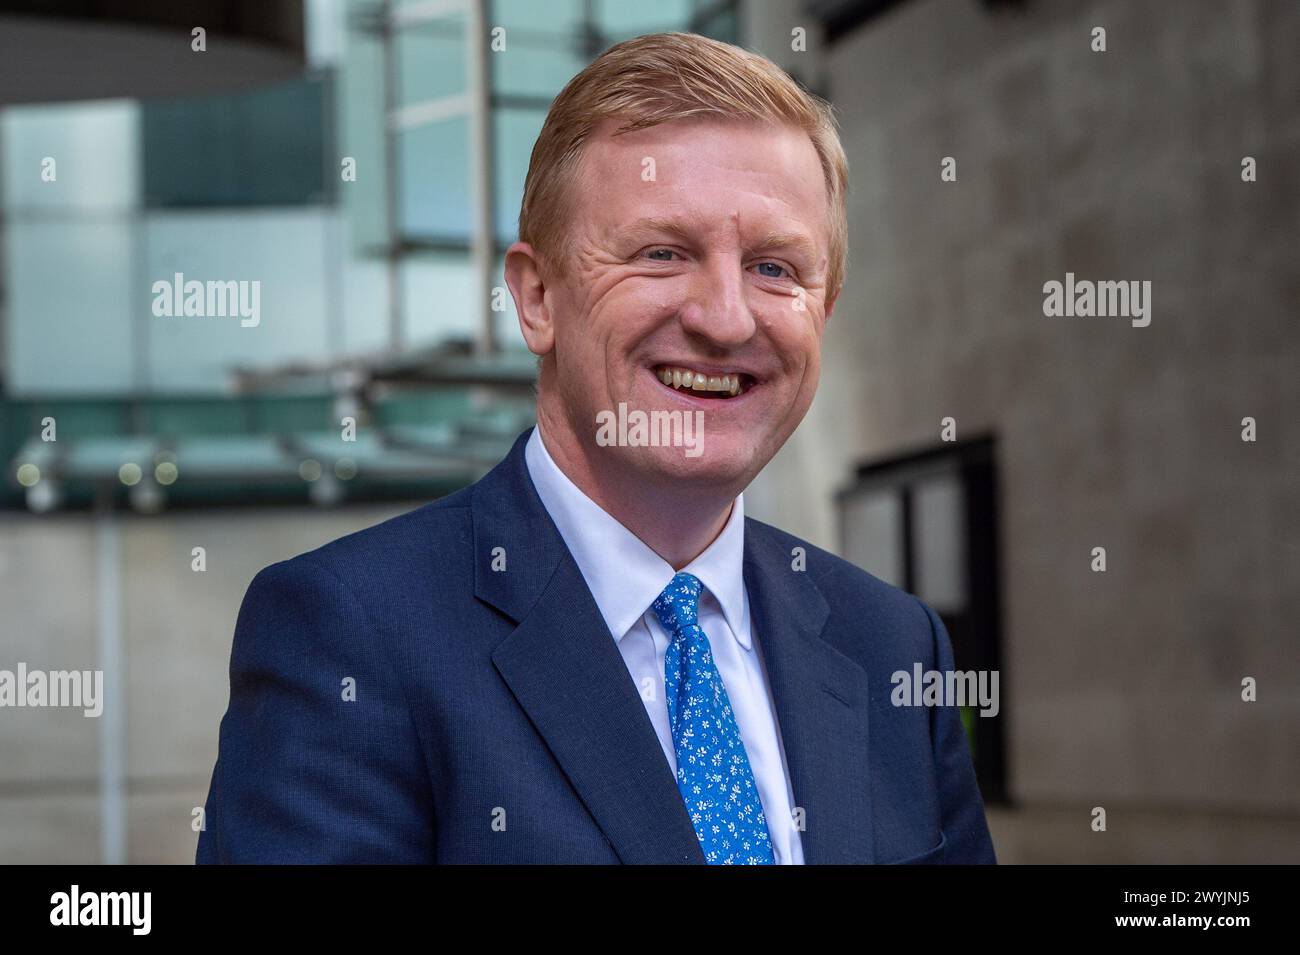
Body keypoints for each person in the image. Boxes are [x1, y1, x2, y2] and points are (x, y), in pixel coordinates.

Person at [197, 31, 996, 865]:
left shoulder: (894, 644)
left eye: (774, 268)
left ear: (823, 311)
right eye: (663, 254)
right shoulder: (350, 635)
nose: (726, 318)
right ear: (537, 299)